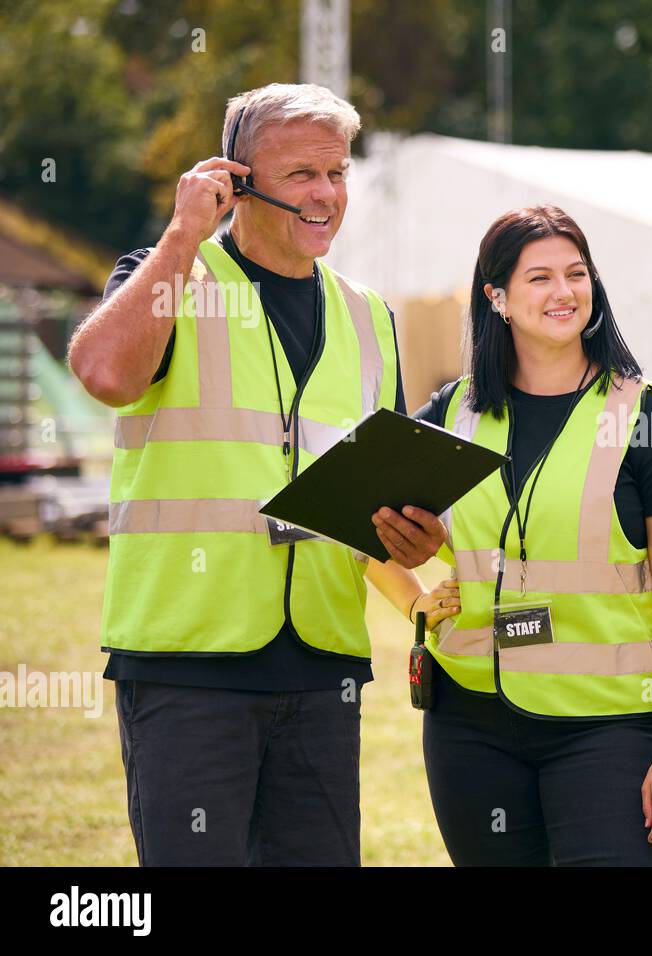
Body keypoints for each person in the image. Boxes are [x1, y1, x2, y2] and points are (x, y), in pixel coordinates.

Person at [68, 83, 449, 866]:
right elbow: (104, 373)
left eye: (338, 172)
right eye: (302, 174)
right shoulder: (169, 276)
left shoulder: (367, 316)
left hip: (323, 670)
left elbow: (373, 492)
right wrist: (182, 233)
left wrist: (411, 541)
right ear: (235, 180)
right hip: (187, 661)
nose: (327, 195)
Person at [405, 204, 652, 865]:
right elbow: (365, 520)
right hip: (468, 728)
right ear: (497, 297)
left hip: (606, 729)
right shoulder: (450, 414)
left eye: (577, 274)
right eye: (539, 277)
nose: (564, 292)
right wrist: (412, 595)